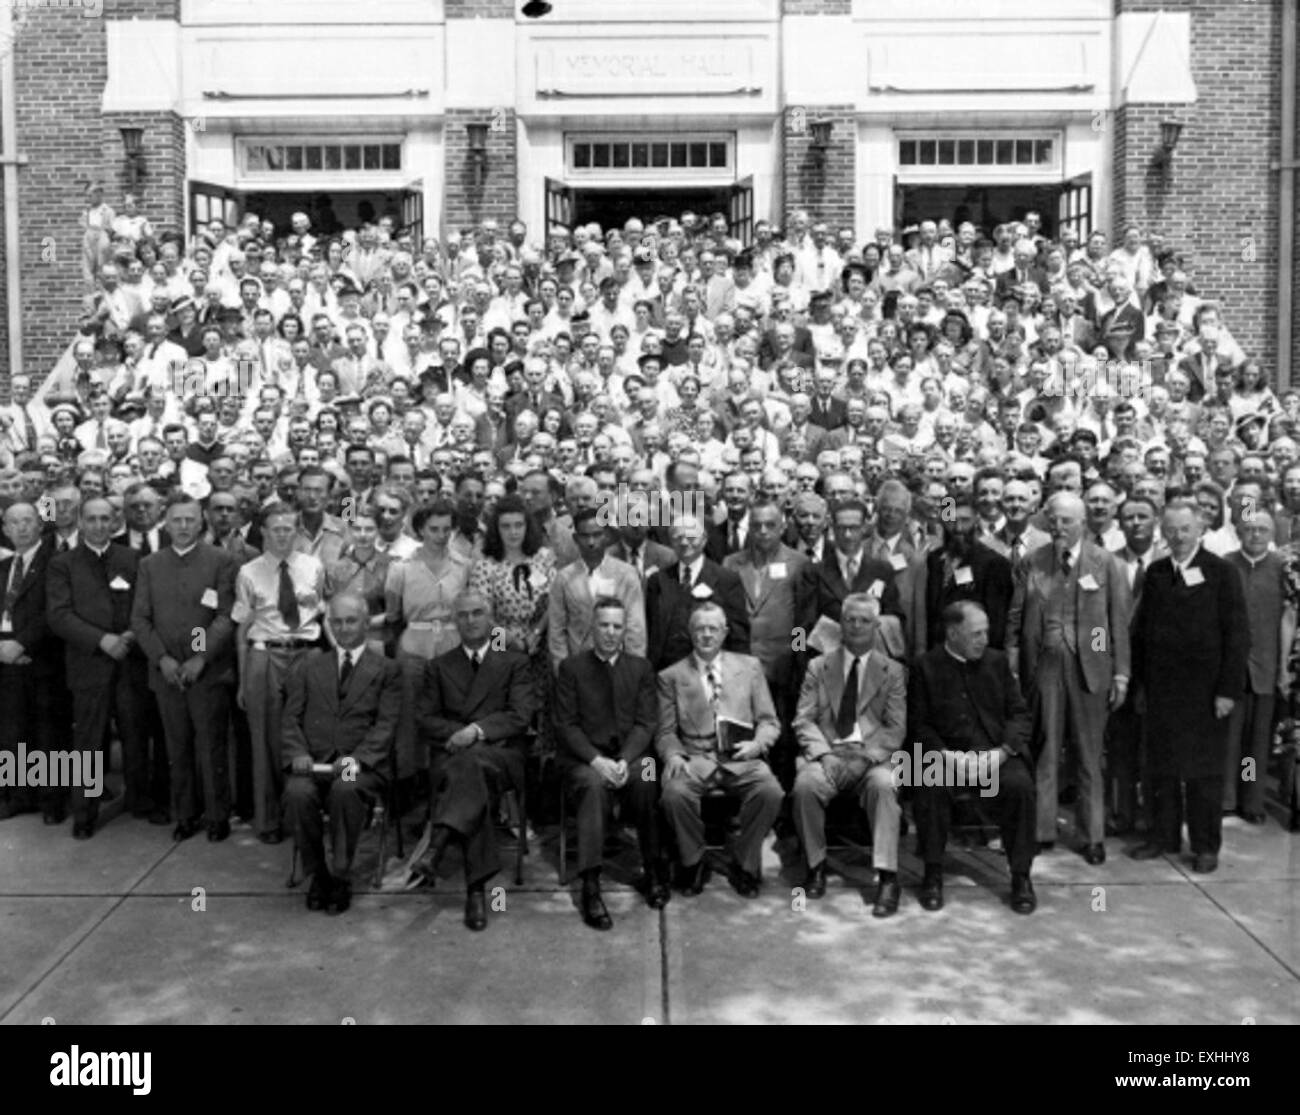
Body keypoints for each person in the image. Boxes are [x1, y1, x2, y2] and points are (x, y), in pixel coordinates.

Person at [1007, 492, 1132, 863]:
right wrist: (1014, 666)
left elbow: (1118, 624)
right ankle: (1042, 829)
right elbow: (1014, 620)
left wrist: (1121, 674)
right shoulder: (1033, 562)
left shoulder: (1105, 563)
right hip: (1043, 666)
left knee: (1089, 756)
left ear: (1082, 523)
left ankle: (1092, 835)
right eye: (1053, 520)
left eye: (1066, 521)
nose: (1059, 527)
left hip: (1090, 668)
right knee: (1045, 751)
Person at [1130, 500, 1248, 872]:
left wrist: (1228, 691)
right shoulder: (1157, 572)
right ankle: (1161, 835)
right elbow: (1143, 633)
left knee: (1203, 773)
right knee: (1160, 768)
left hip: (1206, 692)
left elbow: (1237, 636)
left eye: (1184, 529)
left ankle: (1205, 845)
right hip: (1163, 689)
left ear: (1200, 529)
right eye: (1171, 530)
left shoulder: (1222, 572)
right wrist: (1141, 685)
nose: (1178, 537)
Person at [413, 590, 535, 931]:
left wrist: (477, 732)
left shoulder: (513, 662)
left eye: (477, 613)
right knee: (471, 775)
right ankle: (476, 890)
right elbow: (425, 719)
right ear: (455, 621)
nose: (470, 620)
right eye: (463, 615)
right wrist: (462, 735)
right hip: (455, 757)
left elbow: (520, 716)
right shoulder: (439, 666)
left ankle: (439, 844)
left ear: (491, 616)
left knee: (471, 769)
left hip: (503, 755)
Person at [909, 602, 1038, 913]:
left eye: (985, 632)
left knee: (1020, 786)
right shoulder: (925, 667)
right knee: (927, 784)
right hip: (945, 758)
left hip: (994, 756)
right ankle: (933, 873)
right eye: (976, 633)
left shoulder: (996, 663)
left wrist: (1003, 752)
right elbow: (917, 724)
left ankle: (1020, 875)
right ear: (953, 633)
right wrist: (945, 756)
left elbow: (1020, 714)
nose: (984, 639)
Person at [281, 593, 402, 914]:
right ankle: (317, 873)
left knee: (345, 788)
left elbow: (386, 725)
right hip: (315, 762)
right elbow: (291, 717)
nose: (344, 628)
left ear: (366, 623)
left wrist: (358, 758)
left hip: (358, 765)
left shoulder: (387, 669)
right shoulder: (311, 666)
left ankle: (340, 873)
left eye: (351, 621)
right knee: (296, 792)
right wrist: (297, 752)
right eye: (337, 622)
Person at [554, 596, 668, 929]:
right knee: (592, 787)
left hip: (633, 758)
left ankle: (653, 871)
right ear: (592, 626)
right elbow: (566, 725)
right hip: (584, 759)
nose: (610, 632)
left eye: (617, 626)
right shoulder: (572, 668)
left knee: (648, 777)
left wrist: (624, 760)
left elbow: (647, 723)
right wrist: (597, 761)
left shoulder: (641, 668)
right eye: (604, 624)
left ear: (625, 629)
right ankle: (591, 883)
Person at [130, 492, 239, 842]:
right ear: (166, 522)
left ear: (201, 521)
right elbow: (140, 618)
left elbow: (224, 616)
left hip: (205, 670)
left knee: (211, 744)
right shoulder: (150, 564)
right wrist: (162, 658)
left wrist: (198, 657)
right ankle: (185, 814)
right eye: (176, 519)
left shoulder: (220, 560)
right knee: (176, 746)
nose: (183, 526)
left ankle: (217, 815)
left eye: (190, 519)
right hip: (166, 672)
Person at [656, 601, 782, 898]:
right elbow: (664, 732)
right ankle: (693, 860)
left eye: (713, 629)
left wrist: (757, 744)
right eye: (700, 629)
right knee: (674, 794)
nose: (707, 635)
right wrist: (673, 754)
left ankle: (746, 862)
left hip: (740, 757)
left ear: (725, 633)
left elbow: (769, 722)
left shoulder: (749, 668)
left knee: (770, 791)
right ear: (690, 633)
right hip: (696, 758)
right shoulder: (671, 676)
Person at [791, 593, 907, 916]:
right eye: (850, 619)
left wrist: (864, 759)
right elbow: (804, 719)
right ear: (840, 624)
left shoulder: (893, 671)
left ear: (876, 626)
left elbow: (895, 729)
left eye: (864, 620)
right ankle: (815, 865)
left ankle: (887, 876)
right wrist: (824, 756)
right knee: (805, 786)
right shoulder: (818, 666)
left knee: (884, 786)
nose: (856, 626)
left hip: (871, 758)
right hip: (828, 754)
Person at [46, 497, 151, 837]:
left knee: (135, 735)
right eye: (91, 519)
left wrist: (131, 635)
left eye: (105, 519)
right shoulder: (63, 563)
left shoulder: (132, 559)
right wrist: (103, 640)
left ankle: (140, 802)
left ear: (115, 522)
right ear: (80, 521)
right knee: (88, 742)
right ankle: (84, 814)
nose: (99, 525)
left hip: (129, 662)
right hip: (89, 663)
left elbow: (144, 605)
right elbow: (59, 615)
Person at [233, 502, 328, 844]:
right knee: (265, 739)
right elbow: (242, 630)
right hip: (266, 654)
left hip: (305, 653)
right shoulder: (249, 572)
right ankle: (269, 819)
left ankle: (306, 813)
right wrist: (244, 679)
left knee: (307, 733)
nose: (282, 534)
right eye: (275, 528)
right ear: (263, 532)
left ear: (297, 530)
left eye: (288, 528)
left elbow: (320, 615)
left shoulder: (313, 567)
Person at [385, 499, 472, 774]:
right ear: (421, 529)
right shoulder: (402, 567)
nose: (441, 536)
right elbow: (393, 614)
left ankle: (450, 783)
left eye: (446, 529)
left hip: (452, 642)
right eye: (434, 529)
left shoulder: (463, 565)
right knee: (410, 715)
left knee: (451, 712)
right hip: (415, 644)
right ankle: (411, 784)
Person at [0, 503, 65, 822]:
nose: (22, 528)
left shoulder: (55, 563)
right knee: (12, 731)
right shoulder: (3, 566)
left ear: (41, 525)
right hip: (5, 661)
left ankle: (52, 801)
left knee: (48, 732)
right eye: (14, 522)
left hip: (42, 659)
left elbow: (53, 612)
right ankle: (19, 795)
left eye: (28, 521)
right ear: (5, 530)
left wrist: (22, 643)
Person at [1222, 509, 1287, 824]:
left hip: (1265, 667)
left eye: (1263, 529)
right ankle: (1227, 798)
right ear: (1239, 533)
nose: (1256, 535)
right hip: (1230, 669)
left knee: (1256, 743)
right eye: (1250, 529)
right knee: (1229, 738)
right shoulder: (1225, 565)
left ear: (1272, 534)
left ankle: (1251, 800)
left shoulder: (1280, 568)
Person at [645, 512, 749, 670]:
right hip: (666, 672)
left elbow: (738, 636)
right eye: (678, 537)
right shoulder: (658, 580)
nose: (685, 542)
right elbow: (650, 629)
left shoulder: (726, 580)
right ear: (671, 542)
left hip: (712, 670)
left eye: (691, 537)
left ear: (704, 540)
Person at [547, 506, 645, 669]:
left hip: (618, 666)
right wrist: (561, 670)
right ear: (576, 539)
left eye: (597, 535)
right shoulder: (564, 578)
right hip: (578, 667)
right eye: (585, 536)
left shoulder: (626, 574)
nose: (591, 542)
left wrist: (635, 671)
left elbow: (635, 628)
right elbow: (557, 630)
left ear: (606, 536)